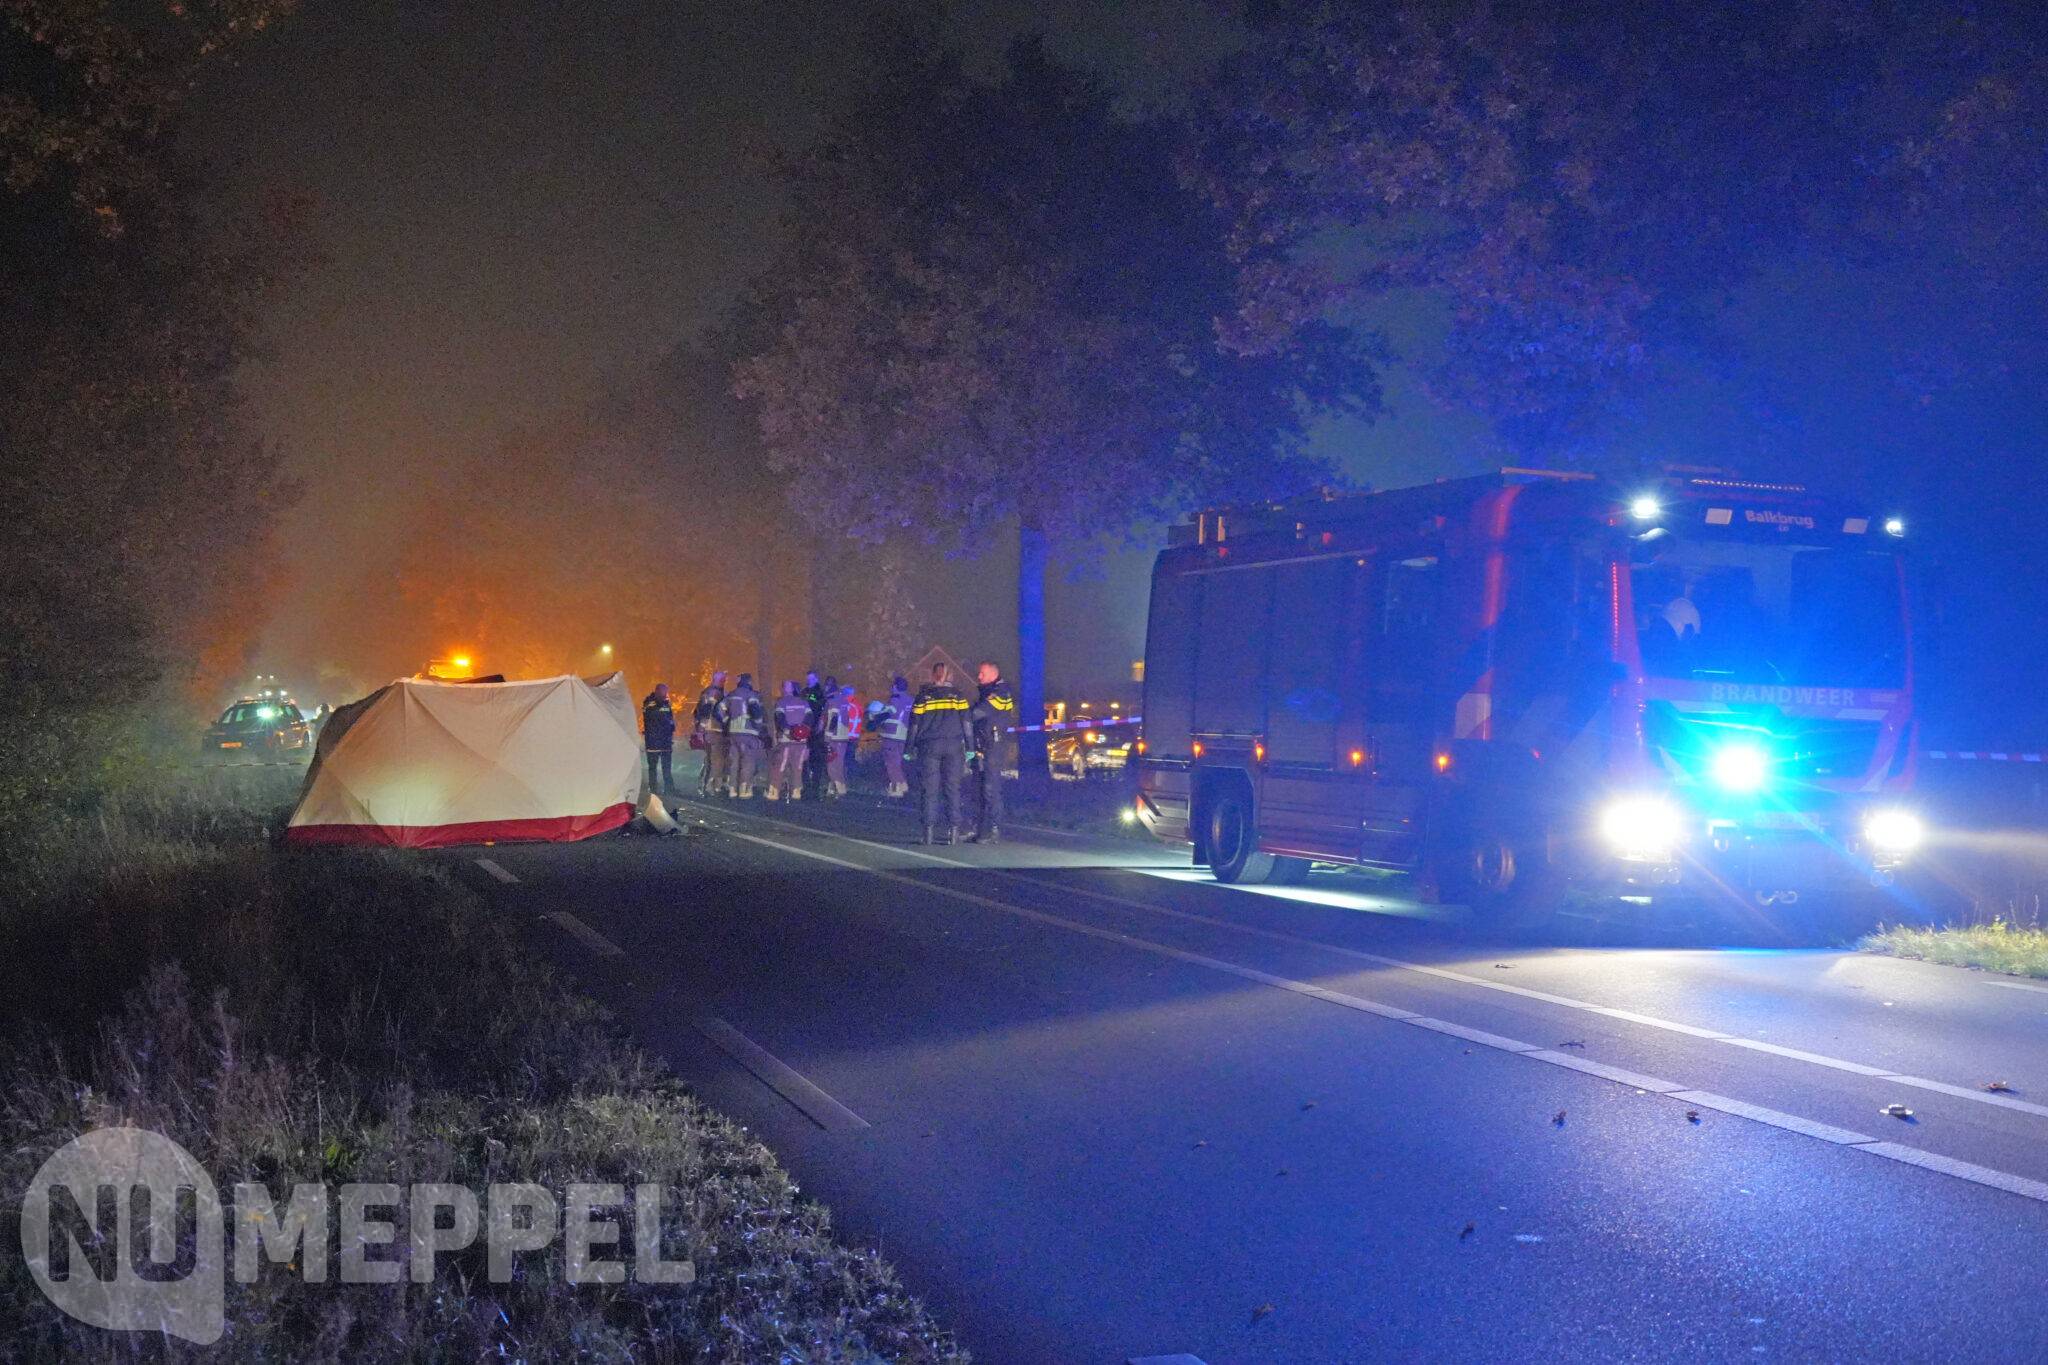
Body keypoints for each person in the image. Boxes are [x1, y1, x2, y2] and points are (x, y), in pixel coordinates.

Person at [908, 662, 972, 844]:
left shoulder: (923, 697)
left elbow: (914, 725)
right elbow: (967, 723)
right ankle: (954, 832)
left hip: (929, 747)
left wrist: (908, 748)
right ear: (949, 676)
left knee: (929, 789)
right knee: (952, 788)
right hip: (954, 747)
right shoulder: (958, 696)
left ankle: (928, 833)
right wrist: (970, 748)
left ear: (932, 675)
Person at [967, 660, 1016, 843]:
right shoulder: (987, 692)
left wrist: (959, 716)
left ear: (993, 674)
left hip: (994, 747)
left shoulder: (1001, 693)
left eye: (982, 673)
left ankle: (993, 829)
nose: (979, 676)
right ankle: (979, 828)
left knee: (991, 788)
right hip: (983, 746)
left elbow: (979, 713)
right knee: (979, 788)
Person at [719, 673, 766, 798]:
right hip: (748, 732)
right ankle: (744, 790)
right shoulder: (751, 695)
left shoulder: (732, 694)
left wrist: (727, 721)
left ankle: (732, 789)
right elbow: (756, 712)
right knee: (747, 762)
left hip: (733, 733)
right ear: (749, 682)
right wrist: (758, 726)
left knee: (734, 762)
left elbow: (720, 709)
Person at [767, 680, 811, 802]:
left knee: (780, 765)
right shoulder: (804, 703)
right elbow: (809, 718)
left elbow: (779, 718)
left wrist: (787, 730)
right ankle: (796, 792)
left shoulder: (781, 702)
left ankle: (774, 792)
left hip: (786, 740)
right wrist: (802, 730)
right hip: (801, 741)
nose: (782, 689)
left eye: (784, 687)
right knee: (797, 767)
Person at [874, 675, 913, 798]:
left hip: (892, 735)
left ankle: (896, 788)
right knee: (897, 762)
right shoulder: (911, 701)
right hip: (904, 736)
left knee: (891, 763)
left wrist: (874, 716)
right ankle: (902, 784)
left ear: (895, 687)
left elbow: (885, 714)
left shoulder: (894, 700)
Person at [692, 670, 728, 796]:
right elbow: (705, 712)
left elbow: (698, 712)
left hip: (711, 732)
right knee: (715, 761)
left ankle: (706, 786)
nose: (724, 682)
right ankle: (709, 788)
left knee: (710, 760)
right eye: (722, 679)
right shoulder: (715, 693)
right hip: (714, 731)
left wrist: (699, 730)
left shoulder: (708, 692)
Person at [822, 684, 860, 797]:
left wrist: (828, 736)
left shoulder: (836, 702)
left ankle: (840, 789)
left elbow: (834, 719)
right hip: (844, 738)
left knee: (832, 765)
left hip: (835, 738)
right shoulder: (848, 704)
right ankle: (833, 789)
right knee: (838, 764)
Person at [641, 682, 676, 798]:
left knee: (667, 767)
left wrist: (671, 728)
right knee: (653, 767)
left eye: (666, 692)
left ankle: (669, 789)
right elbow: (655, 717)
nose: (665, 694)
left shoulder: (665, 704)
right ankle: (653, 789)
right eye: (663, 692)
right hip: (653, 741)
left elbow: (669, 719)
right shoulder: (649, 703)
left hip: (665, 741)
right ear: (657, 691)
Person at [801, 670, 828, 799]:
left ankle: (815, 788)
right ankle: (805, 787)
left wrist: (820, 725)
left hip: (816, 732)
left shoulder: (820, 693)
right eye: (808, 679)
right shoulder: (804, 692)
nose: (809, 681)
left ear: (816, 679)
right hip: (804, 729)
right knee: (804, 759)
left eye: (811, 679)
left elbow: (823, 711)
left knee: (816, 760)